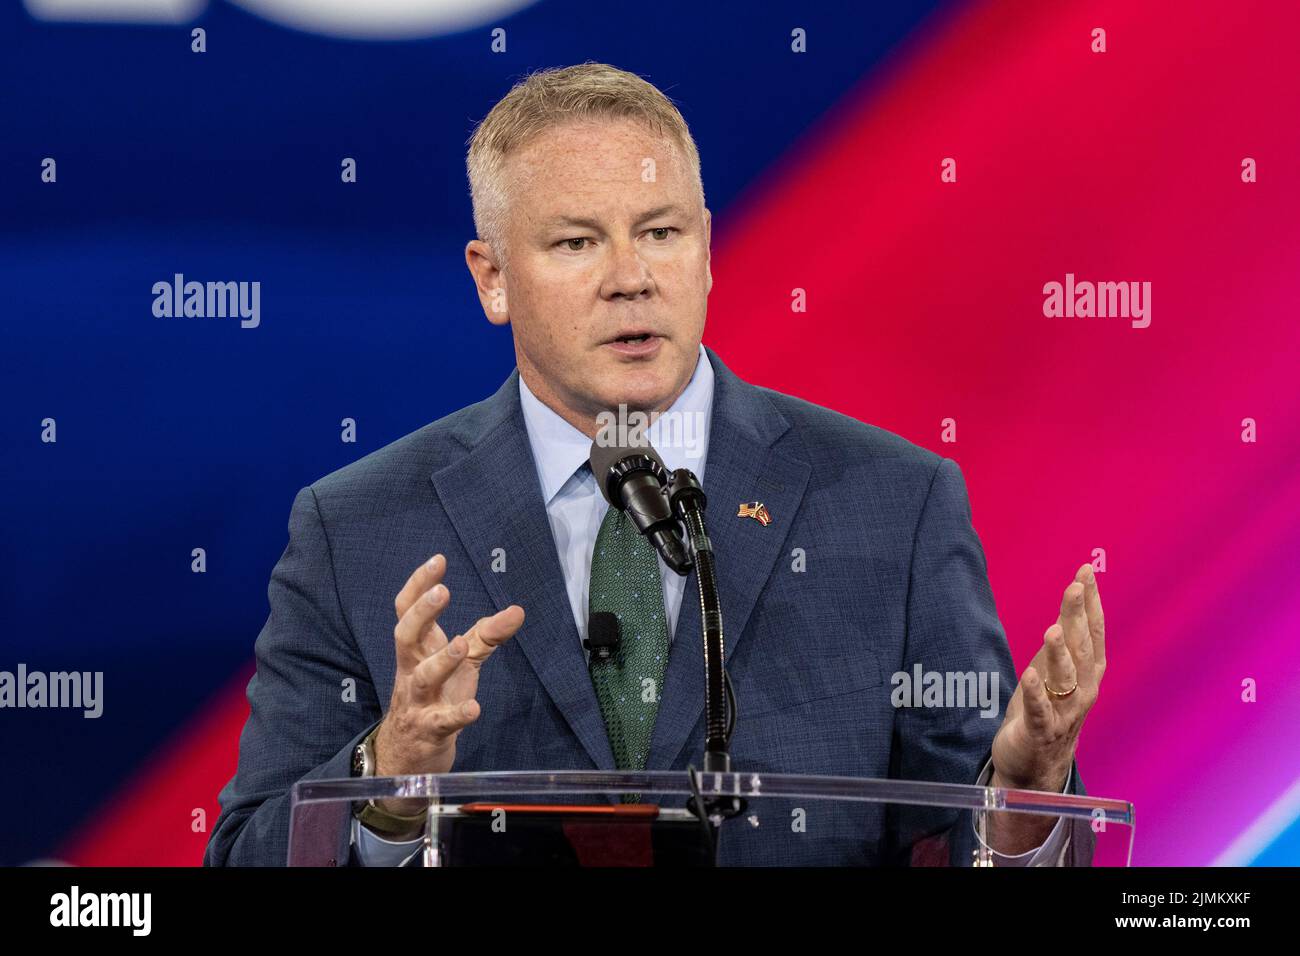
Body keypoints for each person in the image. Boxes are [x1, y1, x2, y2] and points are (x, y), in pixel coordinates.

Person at [205, 62, 1106, 867]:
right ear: (492, 278)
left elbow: (952, 843)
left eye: (662, 232)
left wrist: (1024, 792)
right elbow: (244, 856)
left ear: (708, 250)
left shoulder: (894, 504)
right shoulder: (356, 528)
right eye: (576, 242)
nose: (631, 277)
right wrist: (387, 777)